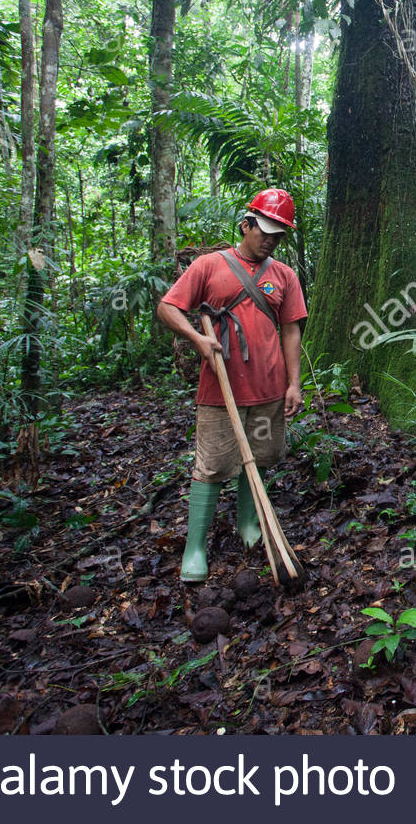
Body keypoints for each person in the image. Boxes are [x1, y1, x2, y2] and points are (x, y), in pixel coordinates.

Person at [155, 188, 308, 582]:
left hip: (269, 389)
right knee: (211, 464)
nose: (270, 240)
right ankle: (195, 547)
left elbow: (291, 332)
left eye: (278, 235)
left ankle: (247, 524)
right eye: (265, 232)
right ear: (246, 224)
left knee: (258, 455)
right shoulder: (209, 266)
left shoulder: (284, 276)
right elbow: (168, 307)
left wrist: (295, 384)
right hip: (220, 390)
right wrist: (197, 339)